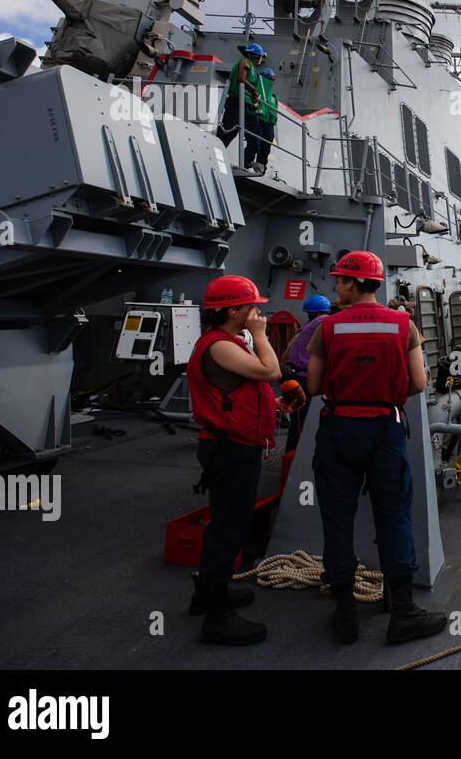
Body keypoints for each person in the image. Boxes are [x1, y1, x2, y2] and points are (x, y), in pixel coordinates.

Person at [306, 250, 446, 645]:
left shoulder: (327, 327)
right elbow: (418, 384)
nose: (336, 286)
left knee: (337, 519)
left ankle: (346, 615)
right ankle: (402, 613)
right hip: (385, 428)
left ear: (353, 284)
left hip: (338, 431)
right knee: (393, 517)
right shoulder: (405, 325)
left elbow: (314, 387)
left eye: (339, 281)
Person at [185, 275, 280, 646]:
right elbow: (270, 371)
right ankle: (217, 618)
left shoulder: (225, 343)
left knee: (227, 522)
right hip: (230, 448)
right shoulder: (219, 345)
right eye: (250, 306)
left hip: (237, 444)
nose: (257, 311)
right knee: (229, 527)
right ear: (231, 310)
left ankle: (209, 592)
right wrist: (261, 334)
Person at [282, 294, 330, 452]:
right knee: (302, 422)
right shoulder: (322, 322)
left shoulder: (305, 327)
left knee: (297, 422)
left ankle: (290, 456)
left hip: (292, 375)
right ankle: (294, 458)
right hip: (302, 378)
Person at [217, 41, 265, 153]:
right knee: (228, 129)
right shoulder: (246, 62)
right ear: (257, 56)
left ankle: (219, 150)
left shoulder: (252, 68)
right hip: (235, 101)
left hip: (243, 103)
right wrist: (253, 91)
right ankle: (215, 149)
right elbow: (241, 78)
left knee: (234, 130)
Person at [243, 65, 278, 174]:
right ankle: (246, 163)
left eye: (272, 79)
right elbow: (248, 102)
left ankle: (261, 166)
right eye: (269, 79)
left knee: (266, 145)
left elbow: (274, 112)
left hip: (268, 123)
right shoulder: (254, 91)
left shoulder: (273, 97)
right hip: (255, 118)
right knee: (254, 143)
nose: (271, 81)